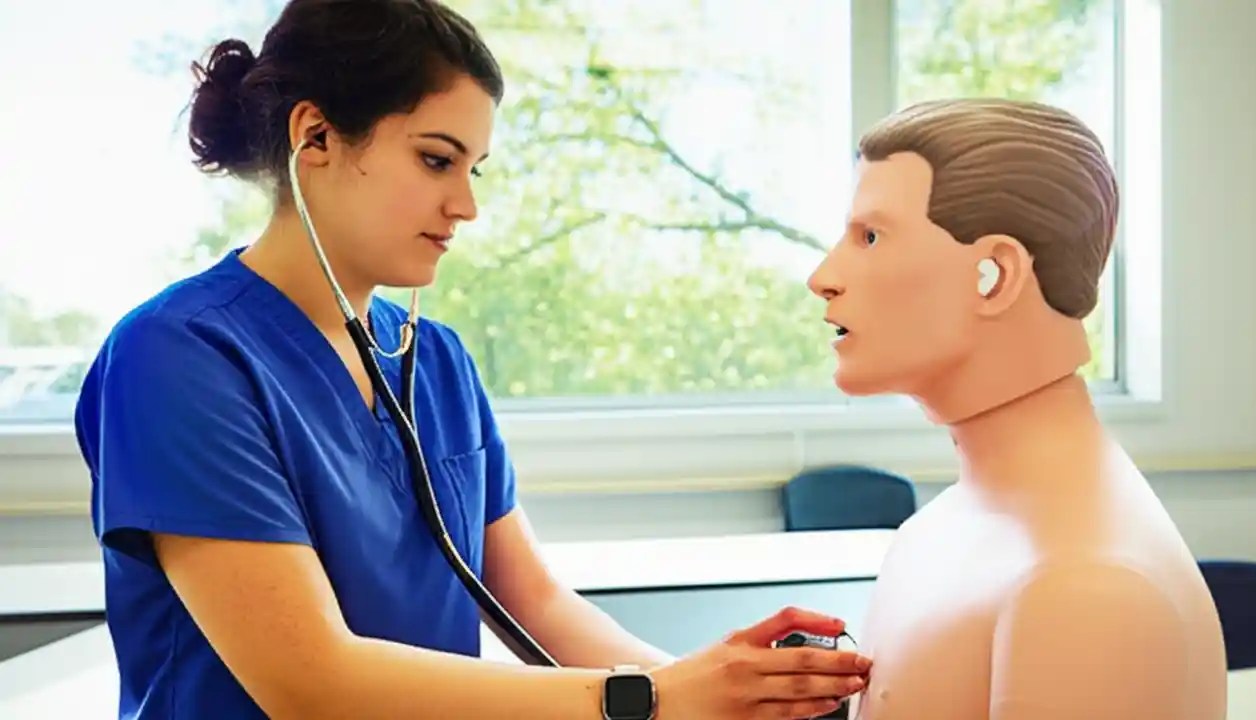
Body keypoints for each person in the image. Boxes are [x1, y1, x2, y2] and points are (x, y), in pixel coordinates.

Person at [72, 1, 872, 718]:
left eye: (473, 169)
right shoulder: (177, 358)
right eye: (435, 159)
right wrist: (658, 698)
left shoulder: (438, 362)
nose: (467, 205)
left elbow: (539, 608)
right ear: (314, 136)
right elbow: (312, 683)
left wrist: (721, 691)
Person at [807, 97, 1227, 719]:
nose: (824, 276)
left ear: (995, 275)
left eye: (870, 237)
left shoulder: (1087, 592)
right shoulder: (944, 532)